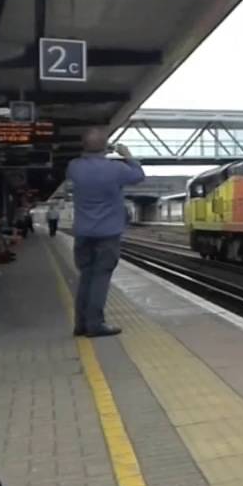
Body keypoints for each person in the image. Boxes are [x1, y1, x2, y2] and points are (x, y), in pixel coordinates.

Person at [67, 129, 144, 337]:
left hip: (83, 232)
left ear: (83, 145)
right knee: (101, 277)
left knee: (86, 276)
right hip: (108, 233)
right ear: (106, 146)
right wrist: (128, 156)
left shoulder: (74, 167)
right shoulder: (116, 169)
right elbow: (138, 176)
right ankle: (95, 324)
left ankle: (80, 324)